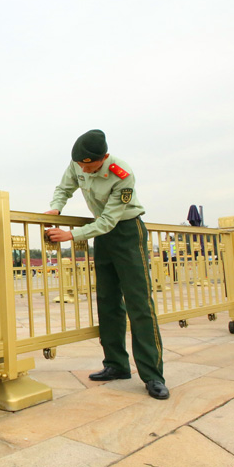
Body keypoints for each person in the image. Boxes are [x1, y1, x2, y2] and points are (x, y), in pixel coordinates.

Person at [44, 129, 169, 400]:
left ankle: (153, 375)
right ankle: (116, 364)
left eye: (90, 165)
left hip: (126, 232)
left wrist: (71, 235)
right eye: (81, 165)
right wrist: (56, 207)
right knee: (108, 300)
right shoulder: (77, 162)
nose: (85, 170)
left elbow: (109, 220)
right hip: (101, 236)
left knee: (139, 304)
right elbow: (64, 188)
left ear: (105, 157)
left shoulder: (122, 174)